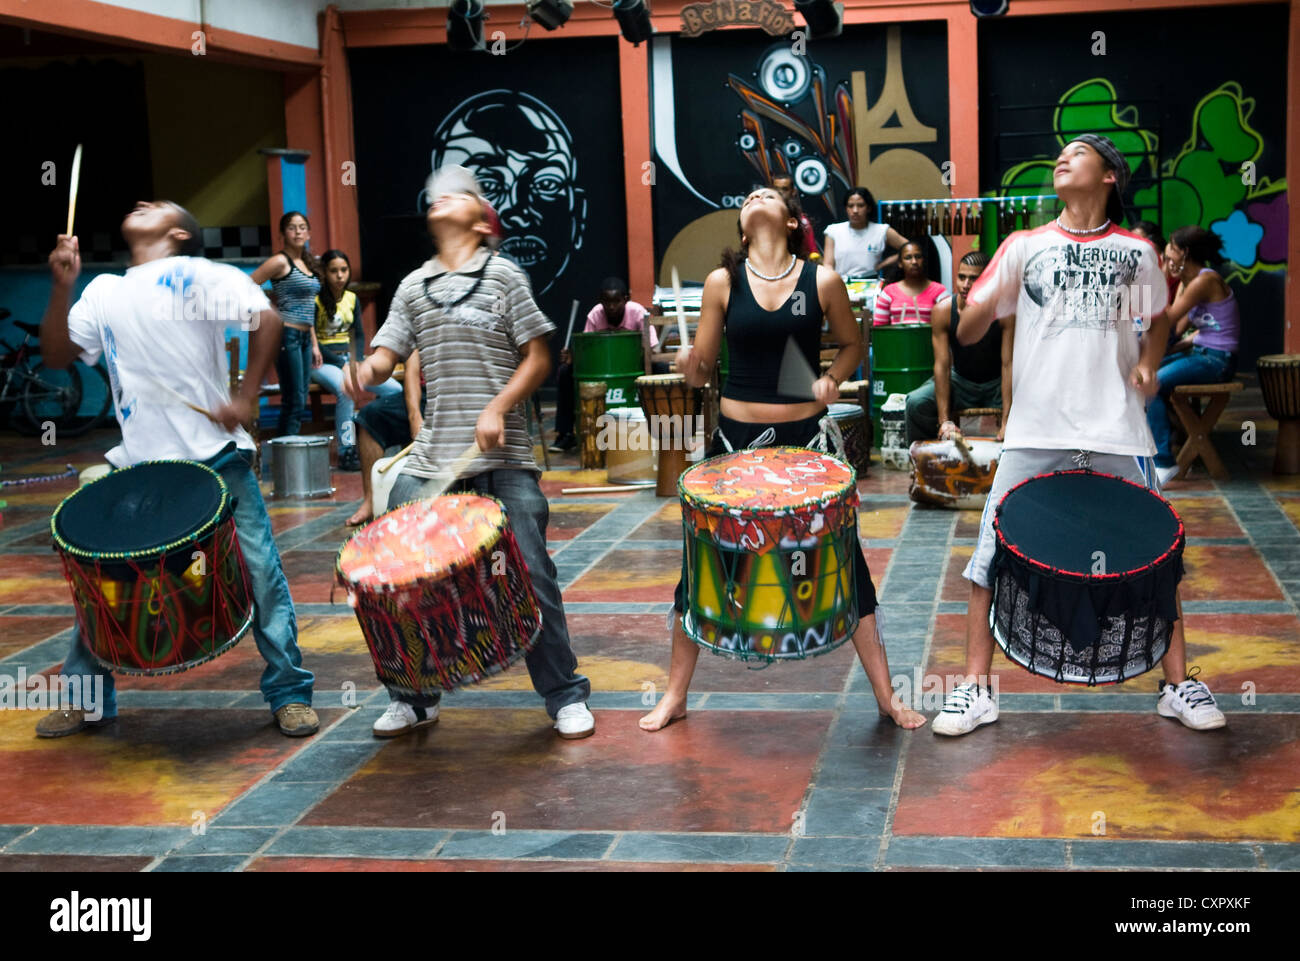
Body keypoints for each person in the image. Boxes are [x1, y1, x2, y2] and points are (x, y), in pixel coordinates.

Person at [934, 133, 1224, 737]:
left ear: (1109, 176)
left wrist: (1148, 362)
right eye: (1060, 153)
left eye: (1080, 151)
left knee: (1158, 558)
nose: (1063, 157)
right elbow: (967, 327)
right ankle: (975, 689)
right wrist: (976, 309)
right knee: (988, 557)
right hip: (1035, 430)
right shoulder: (1023, 246)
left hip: (1117, 430)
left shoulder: (1137, 251)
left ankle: (1176, 685)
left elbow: (1158, 321)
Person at [639, 184, 926, 733]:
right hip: (734, 446)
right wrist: (689, 361)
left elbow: (851, 344)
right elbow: (699, 373)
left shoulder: (823, 280)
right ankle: (674, 696)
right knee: (700, 566)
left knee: (848, 561)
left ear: (793, 222)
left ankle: (888, 698)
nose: (753, 196)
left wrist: (831, 380)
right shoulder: (723, 283)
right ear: (743, 228)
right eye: (746, 197)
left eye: (766, 194)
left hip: (802, 443)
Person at [36, 200, 318, 738]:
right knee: (102, 576)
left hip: (216, 457)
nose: (143, 203)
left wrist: (246, 395)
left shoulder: (197, 276)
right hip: (142, 464)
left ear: (178, 232)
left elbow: (268, 318)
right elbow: (54, 355)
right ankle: (86, 698)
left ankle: (289, 691)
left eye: (158, 206)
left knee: (259, 572)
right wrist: (61, 285)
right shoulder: (104, 292)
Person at [344, 166, 594, 740]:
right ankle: (413, 697)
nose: (443, 197)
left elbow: (540, 355)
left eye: (460, 194)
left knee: (529, 572)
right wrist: (364, 373)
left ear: (483, 222)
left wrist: (499, 406)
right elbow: (387, 356)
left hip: (502, 459)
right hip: (433, 462)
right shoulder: (412, 286)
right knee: (393, 577)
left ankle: (563, 695)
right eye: (438, 194)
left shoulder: (504, 276)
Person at [1147, 226, 1241, 484]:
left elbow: (1167, 318)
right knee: (1147, 373)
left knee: (1150, 385)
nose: (1166, 254)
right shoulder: (1192, 282)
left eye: (1170, 250)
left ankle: (1163, 462)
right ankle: (1156, 448)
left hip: (1215, 360)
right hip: (1202, 352)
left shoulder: (1204, 281)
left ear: (1183, 253)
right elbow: (1177, 329)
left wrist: (1163, 276)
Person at [905, 251, 1013, 444]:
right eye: (961, 277)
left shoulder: (1005, 311)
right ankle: (927, 464)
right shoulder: (943, 311)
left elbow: (1008, 365)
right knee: (916, 403)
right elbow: (942, 366)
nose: (965, 285)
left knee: (1038, 403)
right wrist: (944, 421)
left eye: (973, 278)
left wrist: (1007, 421)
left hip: (997, 384)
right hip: (960, 383)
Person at [310, 249, 401, 471]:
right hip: (324, 363)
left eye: (344, 270)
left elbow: (358, 335)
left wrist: (358, 360)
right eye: (334, 271)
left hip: (350, 359)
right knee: (345, 390)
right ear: (325, 273)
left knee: (395, 390)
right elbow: (315, 343)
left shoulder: (352, 298)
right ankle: (347, 449)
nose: (340, 275)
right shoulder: (316, 301)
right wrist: (342, 364)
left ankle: (390, 442)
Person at [552, 277, 657, 452]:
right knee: (565, 372)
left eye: (616, 302)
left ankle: (659, 428)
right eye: (606, 302)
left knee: (661, 369)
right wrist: (572, 358)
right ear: (601, 302)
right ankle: (566, 434)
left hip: (632, 368)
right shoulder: (595, 315)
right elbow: (587, 353)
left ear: (626, 299)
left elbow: (653, 349)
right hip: (601, 369)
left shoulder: (638, 313)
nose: (611, 307)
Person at [252, 212, 320, 437]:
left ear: (309, 233)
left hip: (303, 337)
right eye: (292, 227)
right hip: (286, 335)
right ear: (282, 234)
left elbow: (308, 307)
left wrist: (314, 344)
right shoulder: (280, 261)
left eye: (302, 227)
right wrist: (270, 314)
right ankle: (286, 453)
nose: (298, 232)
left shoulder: (307, 262)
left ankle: (288, 451)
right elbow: (247, 285)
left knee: (299, 399)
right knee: (294, 400)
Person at [346, 348, 426, 527]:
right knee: (370, 416)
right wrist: (414, 416)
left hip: (463, 394)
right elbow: (412, 371)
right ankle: (370, 501)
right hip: (424, 392)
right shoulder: (419, 322)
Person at [823, 186, 909, 277]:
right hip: (841, 282)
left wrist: (884, 264)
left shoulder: (881, 231)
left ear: (868, 208)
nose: (855, 211)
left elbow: (910, 248)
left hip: (870, 283)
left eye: (860, 205)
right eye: (851, 206)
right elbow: (828, 264)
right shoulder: (833, 231)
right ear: (846, 208)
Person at [871, 242, 950, 325]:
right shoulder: (888, 293)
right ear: (900, 263)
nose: (914, 261)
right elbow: (879, 328)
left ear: (924, 260)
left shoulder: (940, 292)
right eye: (908, 257)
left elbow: (948, 326)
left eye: (918, 257)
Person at [771, 173, 821, 258]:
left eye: (784, 189)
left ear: (793, 191)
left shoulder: (802, 220)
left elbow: (812, 252)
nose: (779, 193)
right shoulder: (763, 215)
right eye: (776, 189)